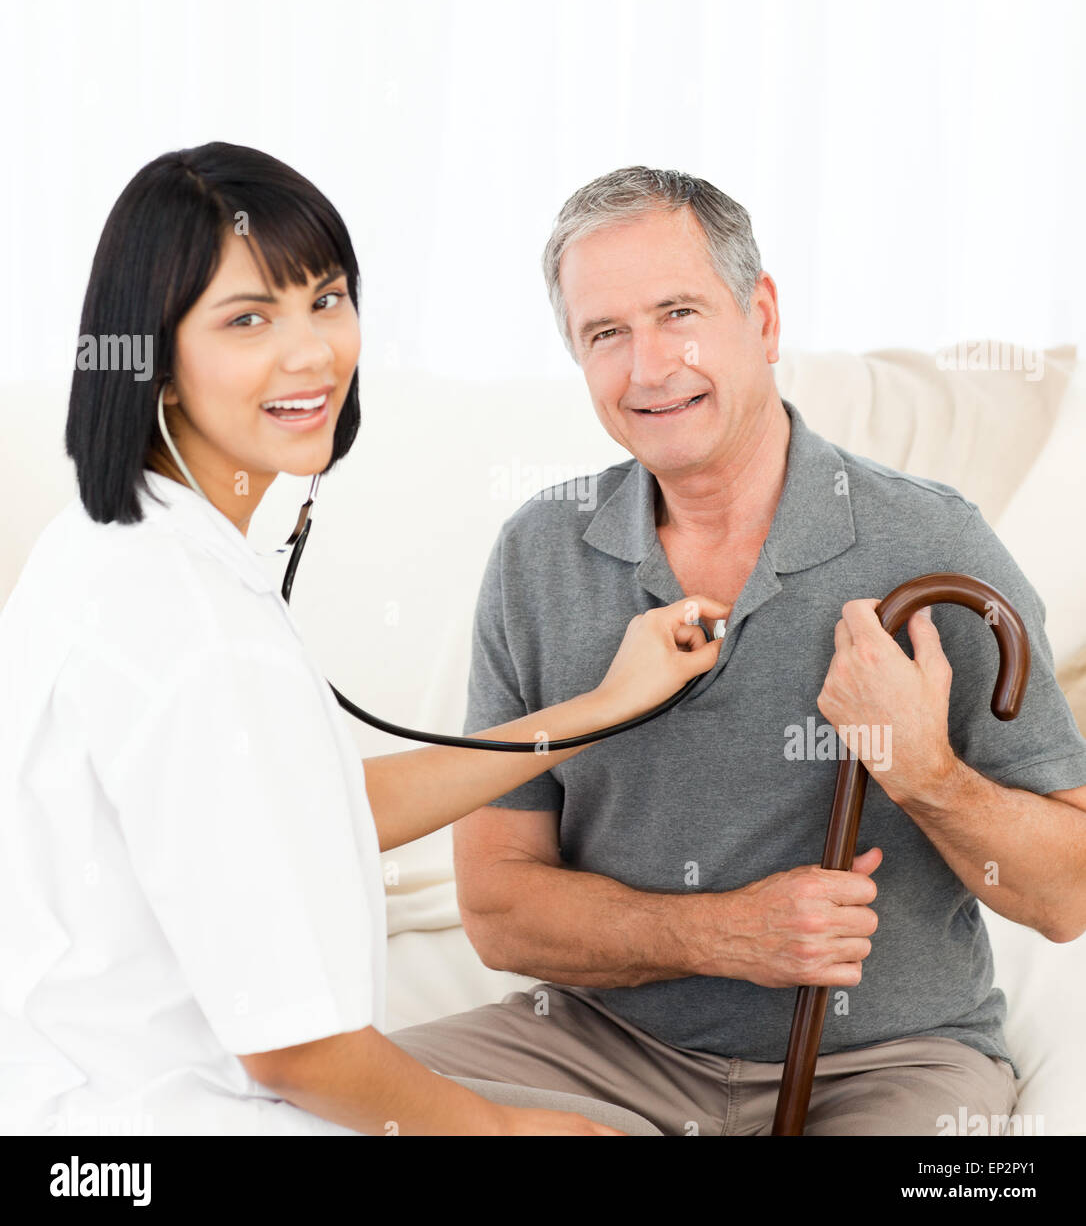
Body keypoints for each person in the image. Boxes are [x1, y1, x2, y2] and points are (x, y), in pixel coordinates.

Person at [0, 144, 729, 1137]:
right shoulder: (198, 630)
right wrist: (507, 1134)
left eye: (326, 298)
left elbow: (307, 809)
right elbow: (295, 1047)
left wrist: (600, 711)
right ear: (157, 357)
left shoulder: (105, 544)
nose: (311, 353)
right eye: (249, 317)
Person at [388, 165, 1086, 1136]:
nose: (648, 367)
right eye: (605, 334)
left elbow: (1069, 897)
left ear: (760, 317)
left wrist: (927, 774)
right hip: (600, 1048)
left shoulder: (929, 543)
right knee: (324, 1108)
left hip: (887, 1063)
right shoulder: (540, 554)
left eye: (679, 312)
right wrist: (726, 934)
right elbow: (502, 909)